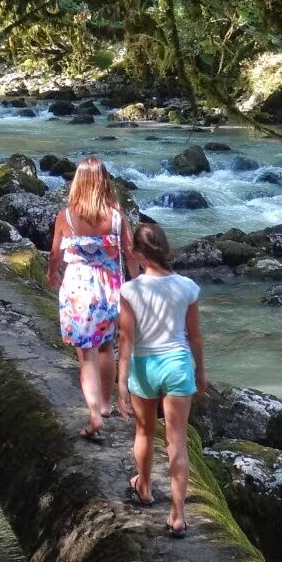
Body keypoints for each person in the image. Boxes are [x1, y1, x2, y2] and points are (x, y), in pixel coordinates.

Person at [117, 222, 205, 538]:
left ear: (138, 254)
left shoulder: (130, 290)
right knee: (176, 440)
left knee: (144, 431)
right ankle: (178, 515)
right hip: (178, 365)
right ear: (165, 248)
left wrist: (121, 381)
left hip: (144, 366)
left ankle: (144, 488)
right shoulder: (187, 287)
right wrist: (200, 371)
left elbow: (126, 339)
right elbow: (195, 337)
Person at [47, 157, 132, 442]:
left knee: (86, 356)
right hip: (110, 289)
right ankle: (106, 405)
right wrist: (136, 283)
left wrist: (51, 273)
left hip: (79, 289)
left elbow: (56, 253)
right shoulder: (117, 217)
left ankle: (94, 414)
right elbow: (130, 253)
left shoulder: (67, 216)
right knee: (106, 347)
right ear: (105, 182)